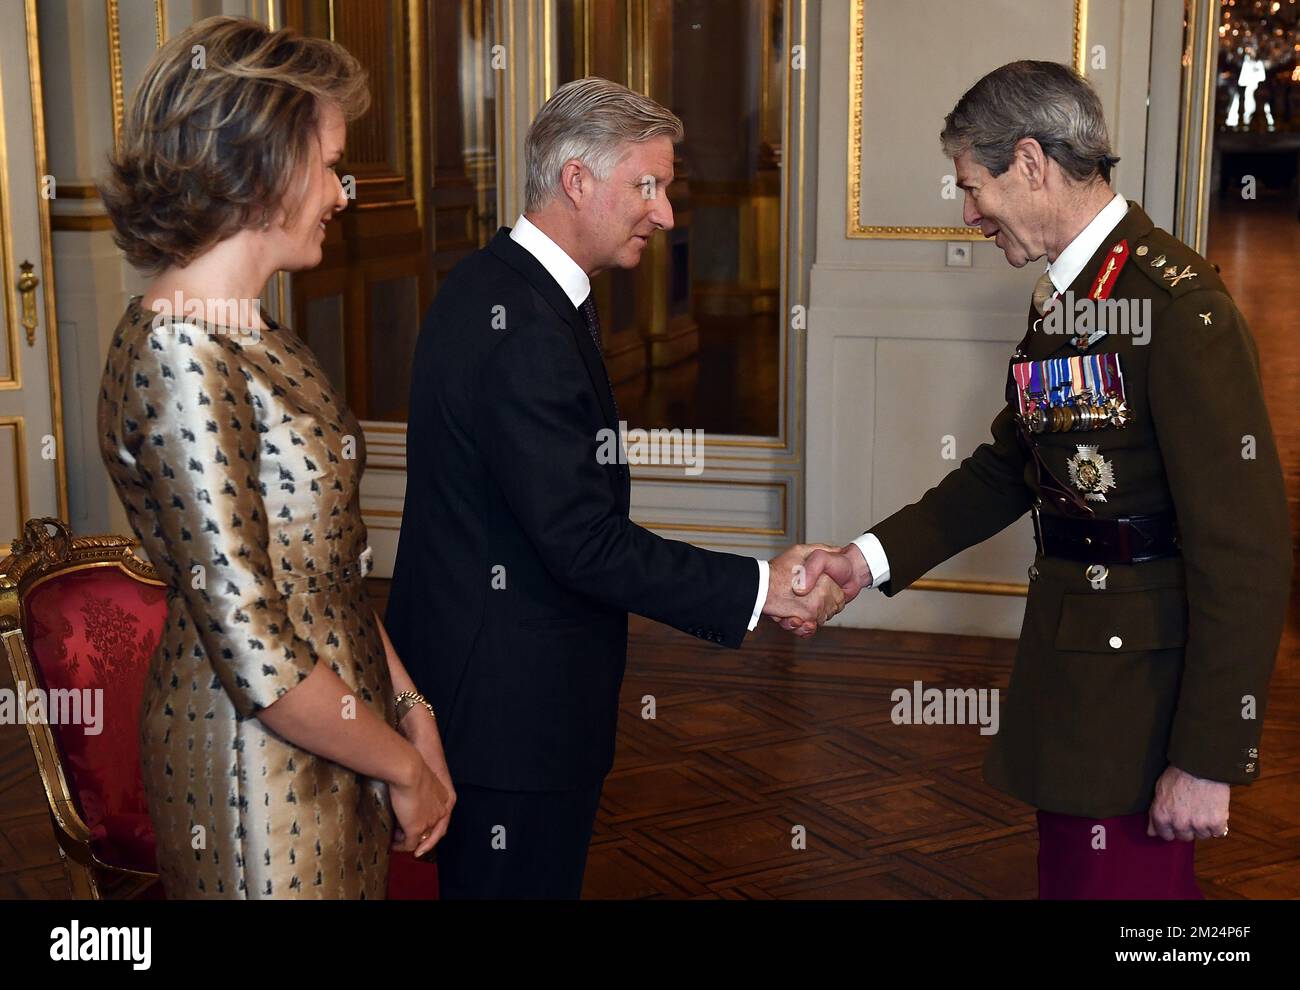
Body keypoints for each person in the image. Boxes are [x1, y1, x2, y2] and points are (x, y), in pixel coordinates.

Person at [796, 60, 1291, 899]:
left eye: (971, 186)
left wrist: (1209, 760)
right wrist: (865, 560)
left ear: (1030, 163)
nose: (968, 213)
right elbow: (1011, 467)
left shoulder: (1177, 309)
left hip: (1140, 701)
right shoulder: (1069, 295)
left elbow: (1246, 552)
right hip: (1077, 673)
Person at [384, 77, 845, 899]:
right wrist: (761, 586)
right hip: (508, 719)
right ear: (576, 181)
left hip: (495, 695)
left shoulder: (499, 288)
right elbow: (582, 542)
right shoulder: (522, 325)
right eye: (649, 185)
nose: (665, 214)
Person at [97, 15, 453, 899]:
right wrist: (403, 769)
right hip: (255, 767)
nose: (344, 191)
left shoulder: (257, 331)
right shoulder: (178, 352)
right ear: (264, 162)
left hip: (338, 728)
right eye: (331, 164)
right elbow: (254, 645)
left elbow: (322, 569)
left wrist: (408, 711)